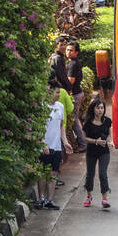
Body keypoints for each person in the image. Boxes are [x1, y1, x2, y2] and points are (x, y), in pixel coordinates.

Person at [36, 82, 72, 210]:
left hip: (56, 146)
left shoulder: (60, 107)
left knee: (53, 173)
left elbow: (61, 125)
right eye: (57, 92)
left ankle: (49, 200)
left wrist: (65, 142)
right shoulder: (41, 107)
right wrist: (42, 143)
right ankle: (41, 198)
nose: (58, 94)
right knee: (42, 174)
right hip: (43, 147)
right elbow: (36, 128)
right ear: (49, 92)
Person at [81, 97, 111, 209]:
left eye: (102, 108)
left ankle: (105, 199)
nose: (100, 110)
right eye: (98, 108)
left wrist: (109, 141)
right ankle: (89, 196)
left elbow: (109, 134)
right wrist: (95, 141)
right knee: (90, 174)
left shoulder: (107, 121)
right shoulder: (88, 121)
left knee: (102, 174)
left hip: (104, 152)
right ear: (93, 109)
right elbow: (84, 138)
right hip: (92, 151)